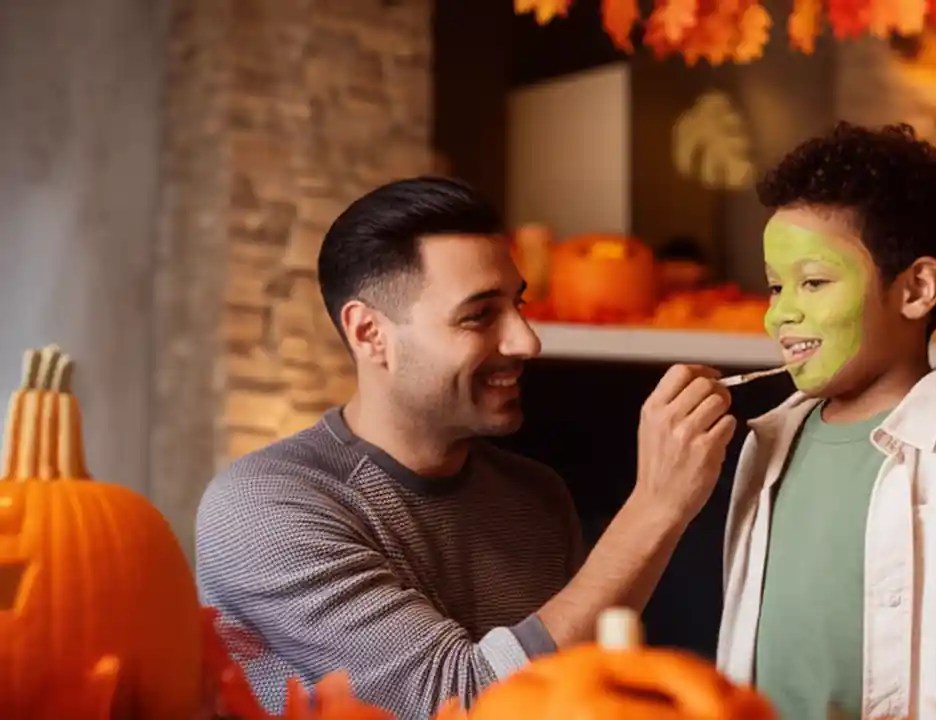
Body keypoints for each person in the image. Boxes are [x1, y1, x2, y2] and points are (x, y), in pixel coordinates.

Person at [195, 176, 737, 717]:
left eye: (517, 305)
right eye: (479, 315)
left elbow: (576, 696)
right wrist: (657, 506)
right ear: (369, 334)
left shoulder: (536, 496)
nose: (526, 341)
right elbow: (460, 704)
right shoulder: (261, 508)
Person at [716, 123, 936, 720]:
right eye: (777, 287)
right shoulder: (765, 447)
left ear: (916, 290)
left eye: (814, 282)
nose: (781, 313)